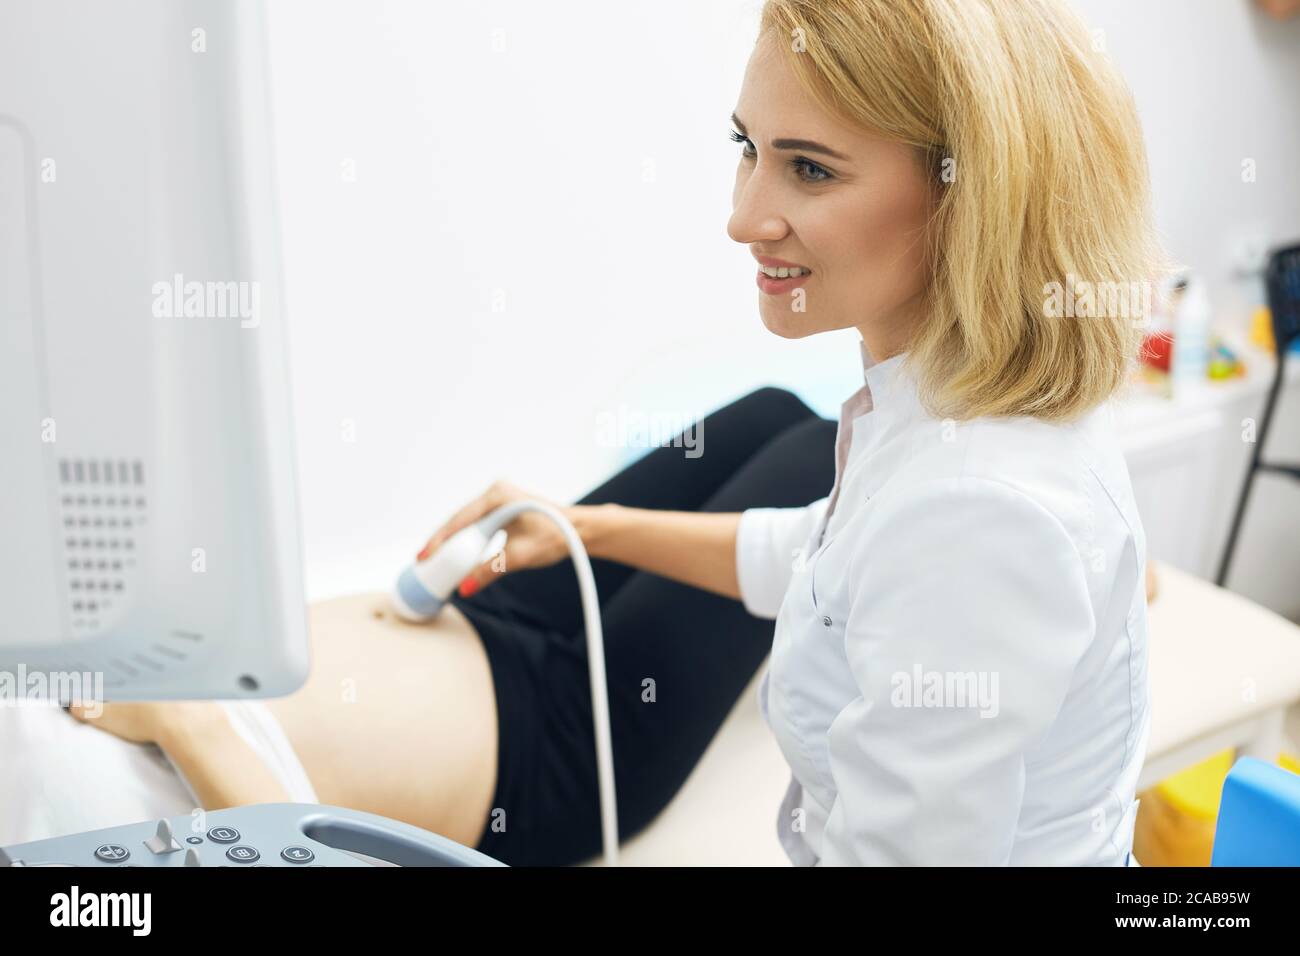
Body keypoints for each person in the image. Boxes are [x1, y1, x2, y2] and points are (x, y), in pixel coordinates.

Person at [68, 0, 1168, 865]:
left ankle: (1085, 596)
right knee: (778, 426)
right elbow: (822, 555)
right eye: (749, 146)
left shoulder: (970, 507)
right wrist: (587, 530)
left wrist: (201, 723)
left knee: (773, 423)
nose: (742, 216)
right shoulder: (921, 431)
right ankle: (1092, 593)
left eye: (808, 166)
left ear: (970, 195)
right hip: (540, 721)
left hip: (526, 690)